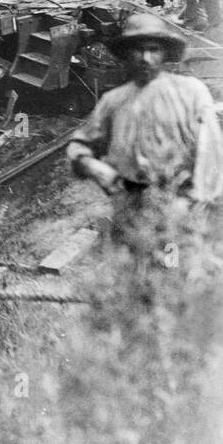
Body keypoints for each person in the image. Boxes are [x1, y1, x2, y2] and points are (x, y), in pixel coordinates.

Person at [67, 13, 223, 260]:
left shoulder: (191, 92)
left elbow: (210, 152)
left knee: (174, 271)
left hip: (181, 206)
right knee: (138, 274)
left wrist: (192, 200)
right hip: (131, 207)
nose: (146, 59)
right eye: (137, 51)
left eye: (153, 50)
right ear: (126, 55)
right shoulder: (113, 101)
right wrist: (95, 168)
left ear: (165, 54)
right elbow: (80, 146)